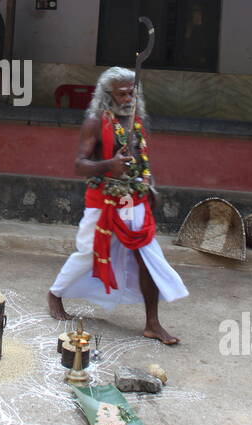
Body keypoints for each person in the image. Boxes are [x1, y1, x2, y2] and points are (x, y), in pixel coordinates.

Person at [48, 67, 188, 344]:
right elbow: (79, 165)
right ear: (107, 95)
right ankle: (55, 293)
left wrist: (149, 187)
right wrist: (108, 165)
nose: (127, 98)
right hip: (104, 201)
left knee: (147, 257)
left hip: (134, 200)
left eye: (131, 92)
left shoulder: (137, 121)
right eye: (121, 93)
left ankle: (152, 323)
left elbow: (140, 163)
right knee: (88, 253)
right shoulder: (94, 123)